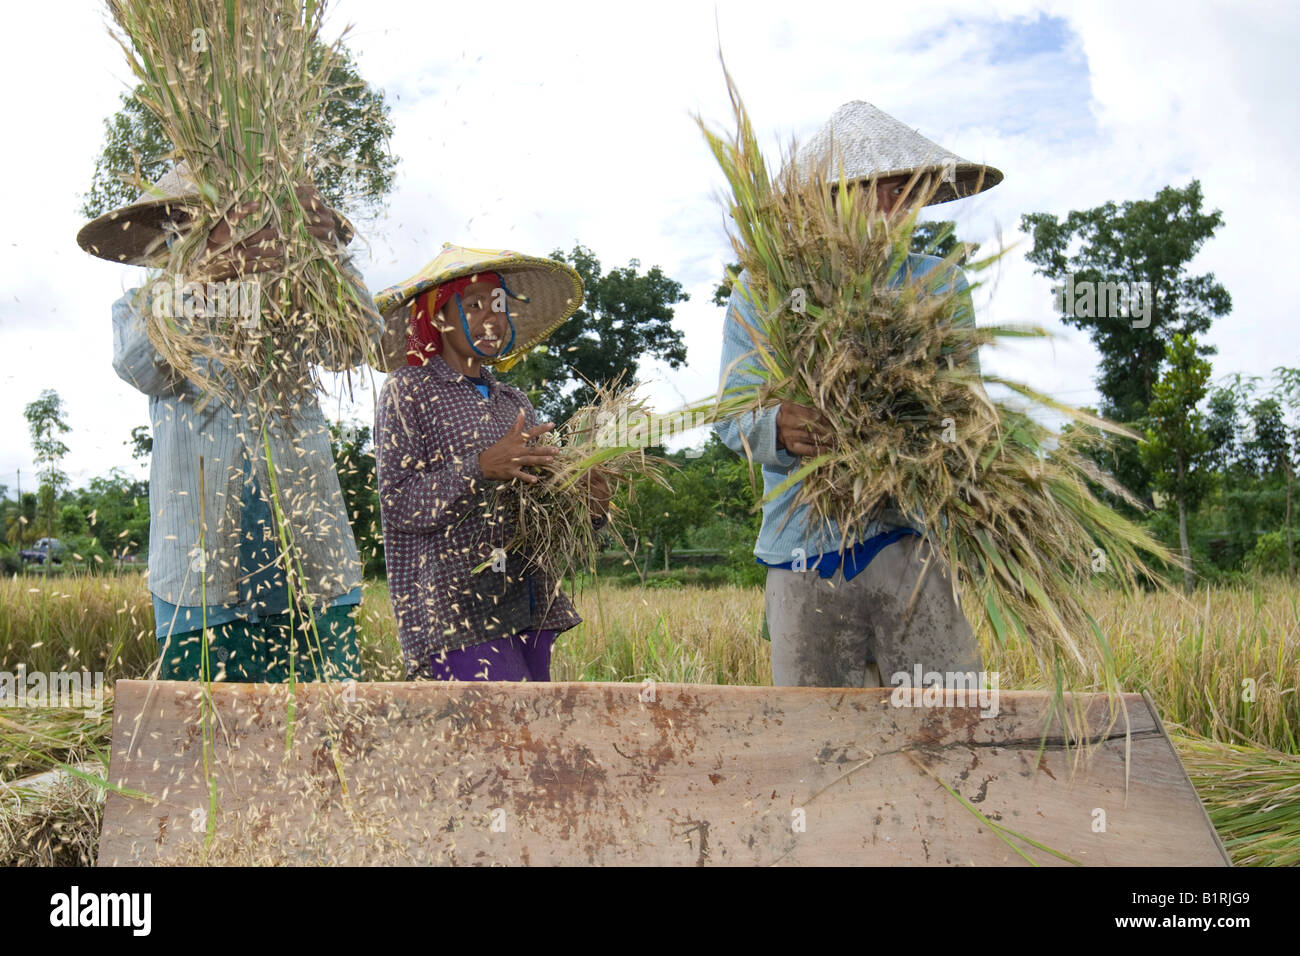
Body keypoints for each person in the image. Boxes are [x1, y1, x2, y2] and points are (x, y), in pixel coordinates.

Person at [714, 101, 1003, 689]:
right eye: (868, 190)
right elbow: (729, 419)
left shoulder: (938, 282)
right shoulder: (764, 287)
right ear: (823, 199)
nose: (889, 208)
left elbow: (967, 409)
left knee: (948, 727)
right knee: (818, 750)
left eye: (903, 191)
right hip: (802, 553)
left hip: (910, 542)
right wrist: (778, 426)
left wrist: (941, 441)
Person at [79, 162, 384, 683]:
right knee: (204, 743)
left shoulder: (295, 293)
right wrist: (206, 278)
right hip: (197, 575)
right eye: (204, 224)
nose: (229, 235)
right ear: (172, 234)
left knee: (328, 739)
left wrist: (325, 255)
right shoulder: (149, 303)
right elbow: (138, 365)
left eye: (240, 219)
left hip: (311, 560)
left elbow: (360, 343)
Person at [373, 243, 609, 681]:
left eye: (499, 305)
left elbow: (545, 520)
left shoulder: (513, 402)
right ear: (439, 317)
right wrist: (479, 467)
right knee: (491, 740)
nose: (492, 317)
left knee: (530, 740)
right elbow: (399, 502)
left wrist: (587, 503)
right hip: (457, 613)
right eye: (475, 304)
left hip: (526, 604)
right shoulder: (408, 390)